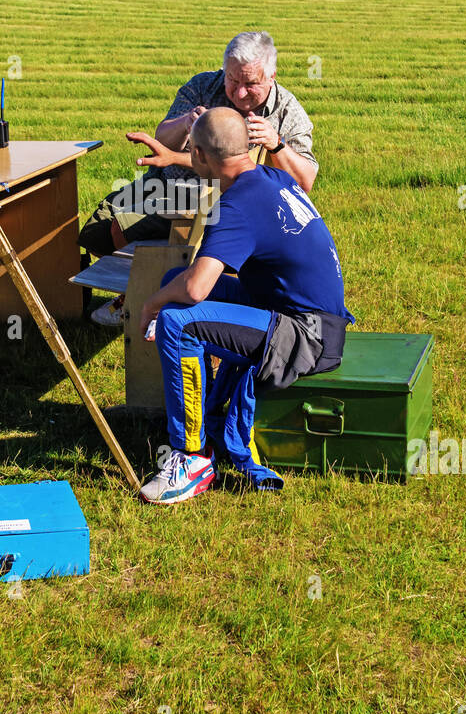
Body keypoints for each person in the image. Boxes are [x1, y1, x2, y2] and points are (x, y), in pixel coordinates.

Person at [137, 107, 354, 505]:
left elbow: (199, 288)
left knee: (177, 320)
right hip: (302, 315)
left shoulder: (235, 206)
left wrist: (149, 303)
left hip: (304, 336)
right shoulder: (267, 176)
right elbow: (190, 283)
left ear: (200, 156)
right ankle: (197, 413)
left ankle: (192, 458)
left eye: (192, 152)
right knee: (174, 284)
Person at [81, 30, 318, 324]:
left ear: (271, 76)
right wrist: (186, 123)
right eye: (232, 80)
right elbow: (163, 139)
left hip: (231, 202)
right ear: (224, 69)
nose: (240, 92)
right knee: (95, 234)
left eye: (250, 83)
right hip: (169, 186)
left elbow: (303, 184)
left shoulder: (287, 112)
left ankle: (149, 302)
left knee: (128, 227)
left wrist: (277, 144)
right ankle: (142, 291)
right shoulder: (204, 85)